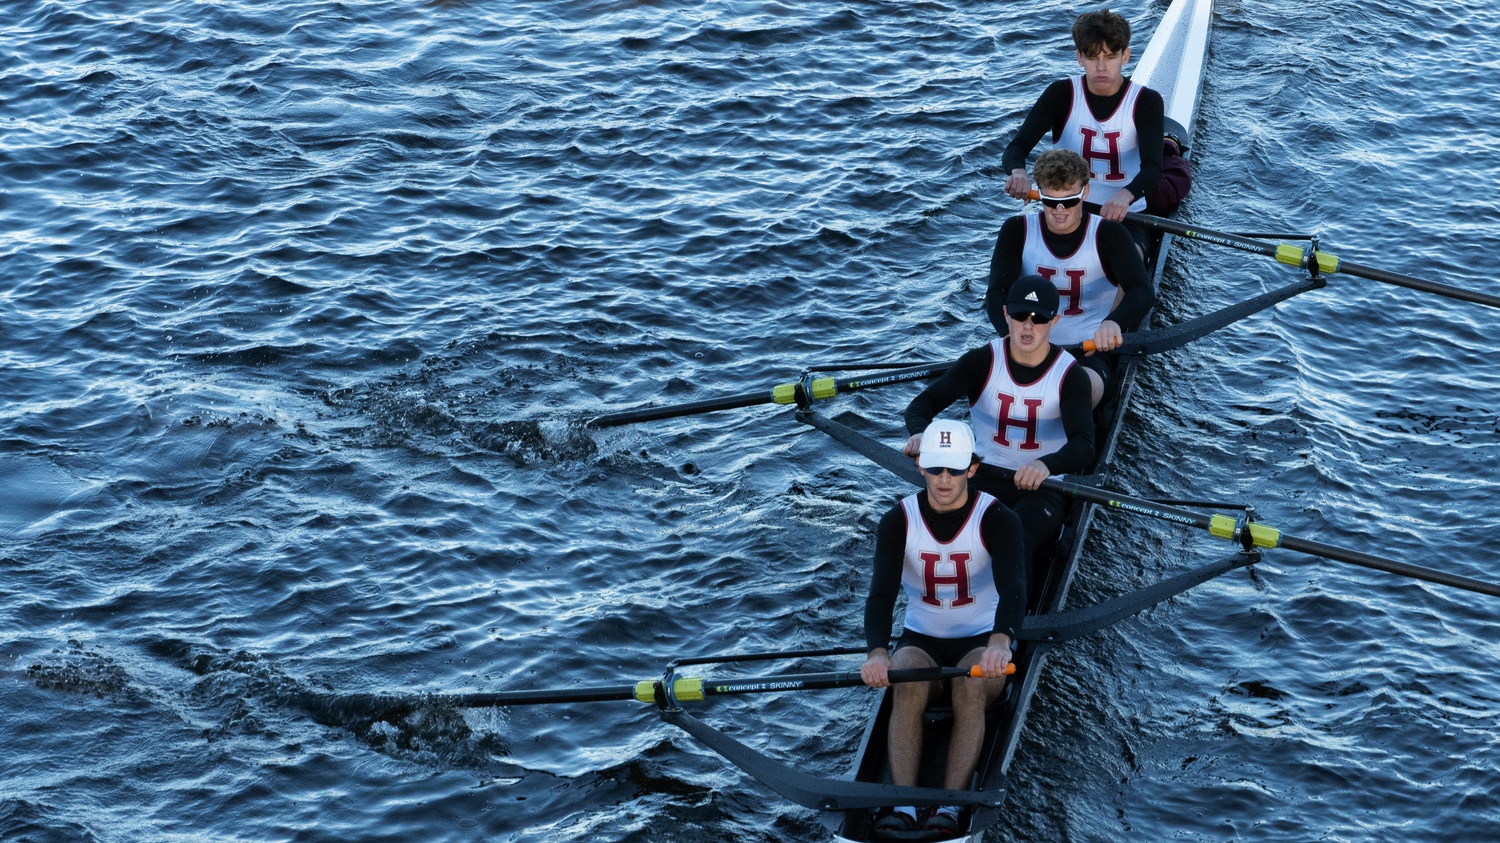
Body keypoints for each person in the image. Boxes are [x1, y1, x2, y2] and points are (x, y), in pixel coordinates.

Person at [861, 419, 1027, 835]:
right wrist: (878, 653)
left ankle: (950, 810)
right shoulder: (897, 520)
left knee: (969, 690)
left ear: (972, 468)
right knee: (905, 680)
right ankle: (905, 806)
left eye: (954, 469)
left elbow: (1014, 591)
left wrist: (1001, 643)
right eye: (935, 469)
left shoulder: (999, 518)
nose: (944, 479)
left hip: (982, 644)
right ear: (921, 467)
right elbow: (880, 596)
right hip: (922, 639)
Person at [907, 276, 1095, 594]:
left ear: (1055, 322)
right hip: (984, 476)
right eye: (1020, 316)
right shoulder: (981, 361)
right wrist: (923, 434)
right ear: (1006, 314)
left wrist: (1046, 464)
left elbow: (1084, 445)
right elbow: (922, 404)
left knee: (1014, 538)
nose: (1027, 327)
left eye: (1039, 319)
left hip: (1042, 488)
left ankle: (1013, 634)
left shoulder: (1070, 375)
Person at [986, 149, 1154, 407]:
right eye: (1050, 201)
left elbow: (1141, 290)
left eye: (1070, 200)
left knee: (1070, 397)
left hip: (1089, 350)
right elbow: (996, 293)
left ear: (1085, 193)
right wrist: (1010, 339)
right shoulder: (1016, 230)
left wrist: (1113, 322)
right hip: (1027, 347)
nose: (1060, 211)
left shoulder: (1109, 234)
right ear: (1039, 193)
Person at [1000, 9, 1164, 230]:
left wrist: (1125, 196)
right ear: (1079, 58)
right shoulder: (1061, 94)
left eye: (1110, 57)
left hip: (1124, 213)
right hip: (1064, 210)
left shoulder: (1146, 101)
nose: (1101, 68)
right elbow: (1016, 147)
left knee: (1120, 259)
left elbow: (1153, 169)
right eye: (1093, 57)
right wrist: (1018, 172)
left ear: (1125, 56)